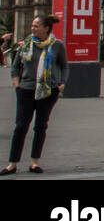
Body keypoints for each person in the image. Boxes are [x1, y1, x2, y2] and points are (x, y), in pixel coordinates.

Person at [6, 15, 67, 175]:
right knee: (20, 126)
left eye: (36, 26)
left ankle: (34, 162)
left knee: (40, 126)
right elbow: (15, 67)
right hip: (26, 90)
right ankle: (12, 164)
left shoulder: (57, 46)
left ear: (46, 28)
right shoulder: (26, 44)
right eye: (32, 26)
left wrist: (62, 83)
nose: (32, 29)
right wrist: (16, 84)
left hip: (48, 91)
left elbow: (64, 66)